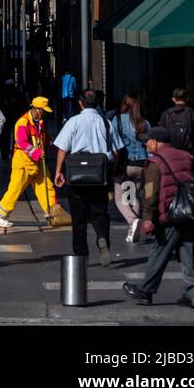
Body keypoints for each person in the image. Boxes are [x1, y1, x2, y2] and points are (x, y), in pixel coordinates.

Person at [122, 127, 194, 309]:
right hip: (188, 212)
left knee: (159, 252)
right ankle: (193, 294)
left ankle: (146, 290)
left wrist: (148, 218)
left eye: (147, 141)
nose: (145, 144)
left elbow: (151, 193)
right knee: (187, 253)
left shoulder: (154, 163)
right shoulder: (186, 156)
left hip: (169, 215)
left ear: (156, 142)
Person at [53, 89, 124, 267]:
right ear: (97, 103)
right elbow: (116, 151)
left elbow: (62, 148)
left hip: (76, 175)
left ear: (80, 103)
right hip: (99, 176)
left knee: (78, 218)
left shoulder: (73, 122)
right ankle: (102, 239)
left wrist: (58, 171)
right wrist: (112, 171)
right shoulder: (106, 123)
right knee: (100, 212)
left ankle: (81, 255)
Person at [0, 95, 60, 230]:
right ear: (37, 109)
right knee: (15, 189)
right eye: (43, 111)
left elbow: (43, 138)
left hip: (37, 162)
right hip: (23, 163)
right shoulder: (22, 122)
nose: (44, 114)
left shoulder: (38, 122)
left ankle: (55, 214)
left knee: (46, 187)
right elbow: (22, 143)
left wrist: (53, 145)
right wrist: (38, 152)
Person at [113, 93, 151, 243]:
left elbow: (112, 142)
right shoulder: (145, 123)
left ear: (124, 104)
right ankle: (132, 230)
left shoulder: (117, 121)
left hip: (125, 165)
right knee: (133, 196)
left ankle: (133, 221)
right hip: (141, 165)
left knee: (120, 198)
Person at [158, 88, 194, 172]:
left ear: (173, 99)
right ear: (187, 99)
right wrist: (193, 154)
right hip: (187, 154)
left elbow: (161, 136)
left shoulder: (166, 114)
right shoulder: (193, 115)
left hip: (169, 155)